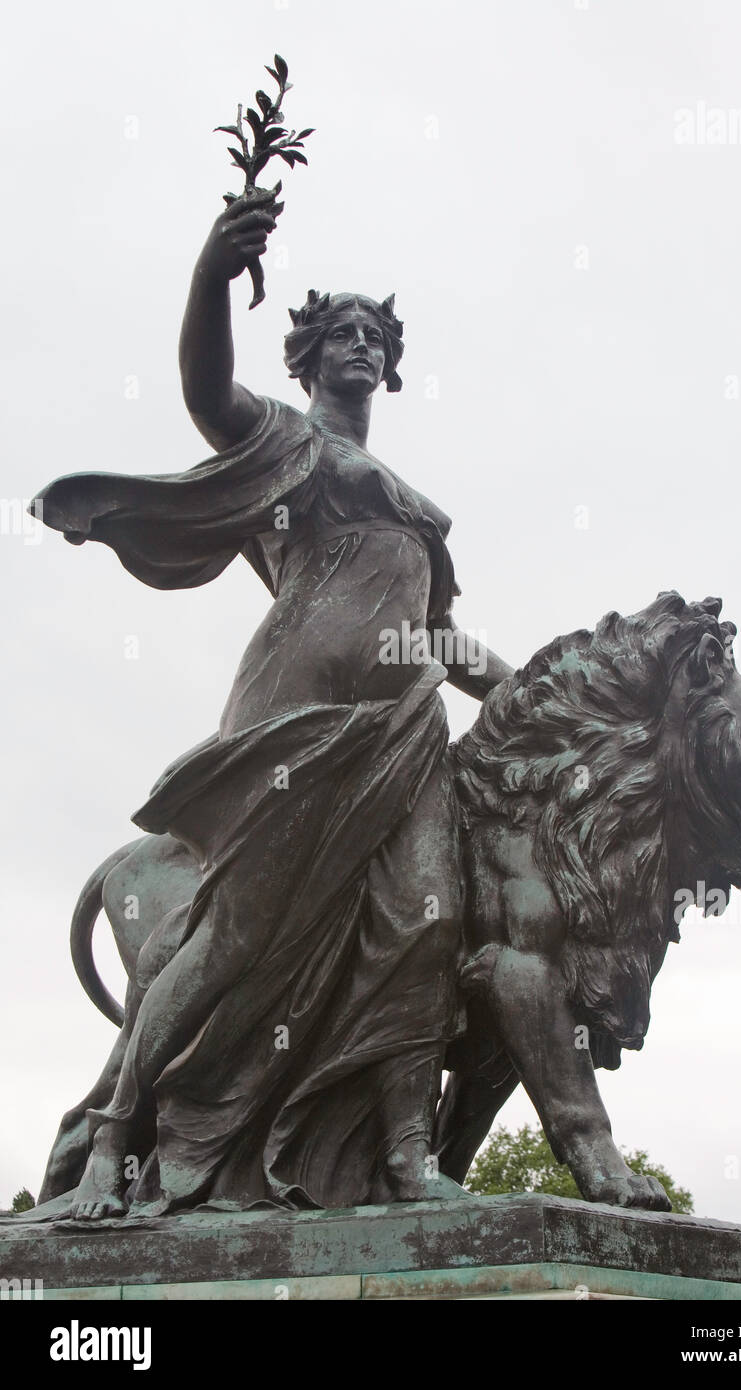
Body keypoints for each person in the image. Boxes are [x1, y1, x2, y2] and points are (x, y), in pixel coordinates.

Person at [32, 199, 513, 1218]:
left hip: (404, 732)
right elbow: (206, 391)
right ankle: (115, 1142)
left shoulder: (411, 499)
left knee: (425, 926)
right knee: (232, 940)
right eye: (339, 332)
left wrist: (524, 689)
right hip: (294, 720)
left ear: (389, 366)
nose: (359, 344)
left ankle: (408, 1162)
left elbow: (431, 632)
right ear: (305, 357)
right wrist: (212, 273)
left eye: (373, 337)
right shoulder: (287, 445)